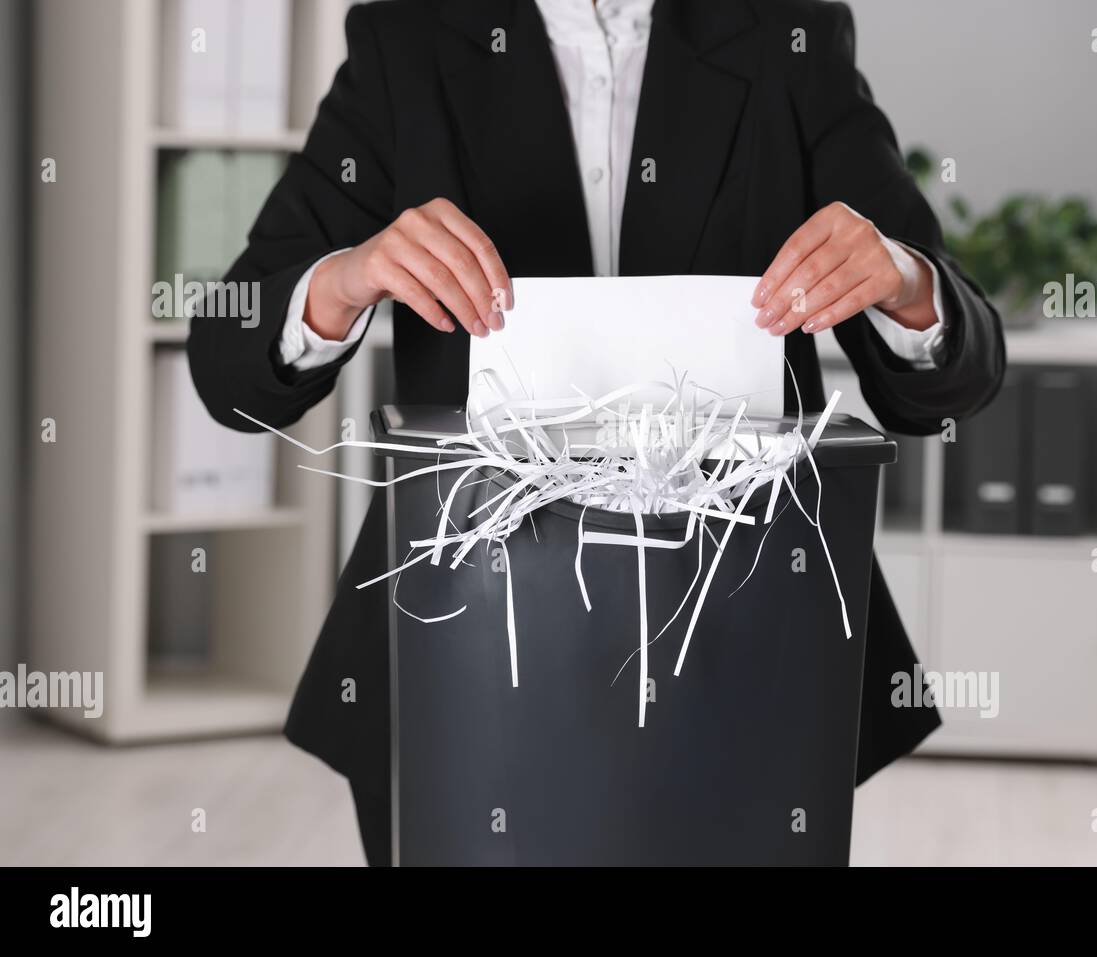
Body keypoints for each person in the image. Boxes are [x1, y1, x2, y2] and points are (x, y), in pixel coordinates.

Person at [188, 0, 1004, 866]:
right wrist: (344, 279)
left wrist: (906, 280)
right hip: (466, 645)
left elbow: (957, 380)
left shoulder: (786, 32)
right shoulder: (408, 35)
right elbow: (226, 366)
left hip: (748, 639)